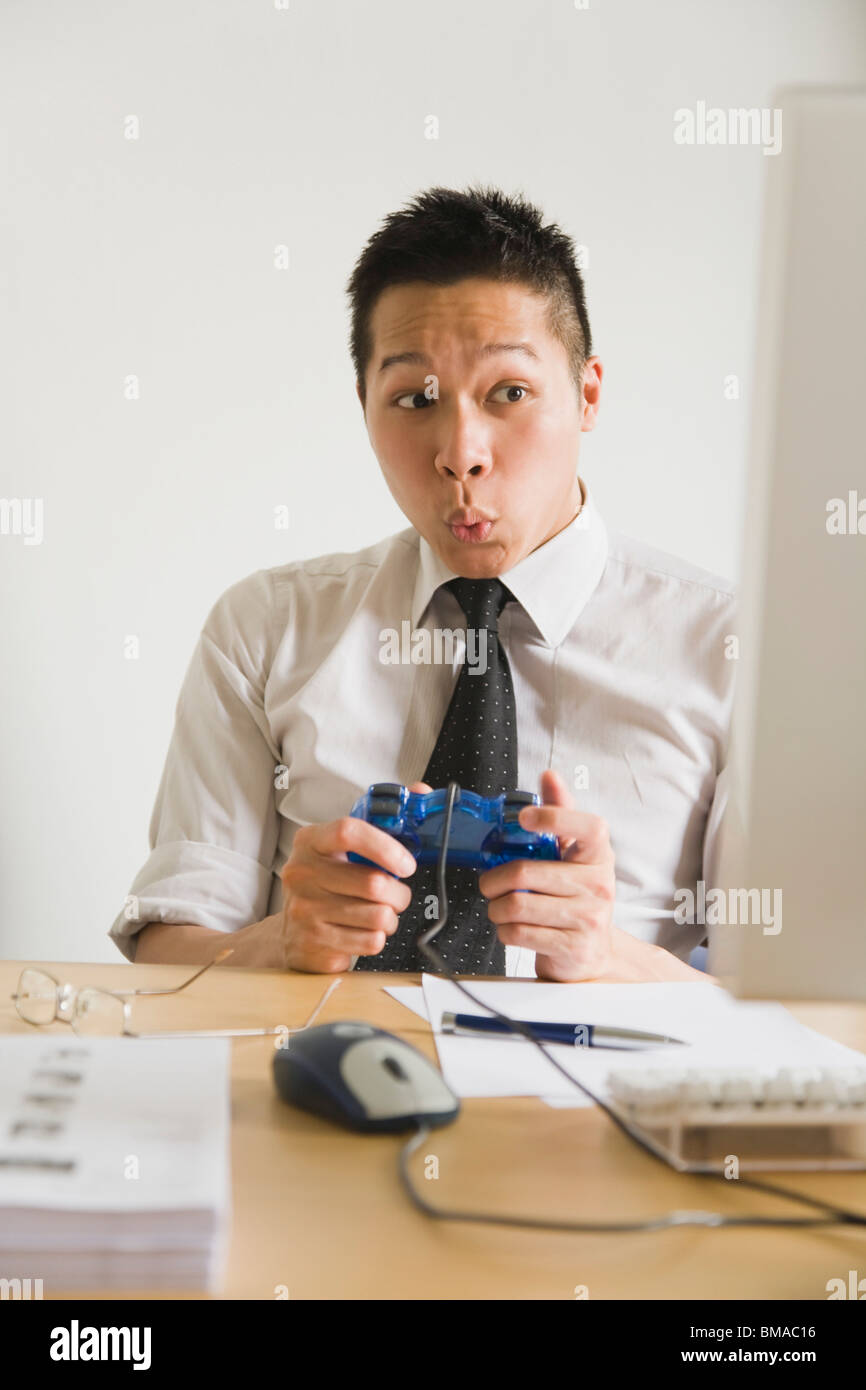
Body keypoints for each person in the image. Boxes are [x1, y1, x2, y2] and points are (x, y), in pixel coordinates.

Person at [113, 185, 735, 982]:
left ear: (587, 394)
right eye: (414, 399)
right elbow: (165, 953)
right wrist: (281, 940)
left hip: (598, 1105)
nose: (460, 452)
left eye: (509, 392)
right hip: (316, 1095)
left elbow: (801, 1010)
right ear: (364, 407)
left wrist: (605, 957)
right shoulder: (264, 630)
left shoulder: (732, 648)